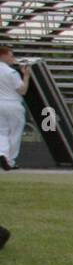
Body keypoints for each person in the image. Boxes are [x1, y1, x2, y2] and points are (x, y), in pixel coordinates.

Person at [0, 43, 32, 171]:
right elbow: (22, 90)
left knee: (1, 132)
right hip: (12, 103)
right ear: (4, 55)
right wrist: (26, 76)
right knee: (15, 132)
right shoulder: (11, 72)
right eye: (10, 55)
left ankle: (2, 153)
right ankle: (10, 160)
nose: (12, 58)